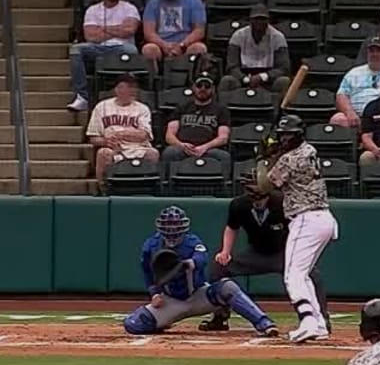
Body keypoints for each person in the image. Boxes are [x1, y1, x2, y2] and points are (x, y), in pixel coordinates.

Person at [122, 206, 280, 337]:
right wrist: (154, 294)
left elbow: (202, 258)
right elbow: (147, 272)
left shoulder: (192, 242)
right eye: (168, 226)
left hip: (198, 296)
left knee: (228, 287)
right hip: (170, 300)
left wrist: (188, 263)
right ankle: (164, 322)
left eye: (175, 226)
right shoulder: (151, 245)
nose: (172, 231)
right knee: (133, 324)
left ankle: (263, 322)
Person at [200, 177, 330, 334]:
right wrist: (225, 251)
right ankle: (219, 317)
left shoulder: (282, 202)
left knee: (312, 275)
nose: (257, 202)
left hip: (283, 253)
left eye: (261, 197)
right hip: (255, 253)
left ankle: (321, 320)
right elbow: (231, 227)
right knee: (219, 267)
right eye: (253, 197)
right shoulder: (239, 204)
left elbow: (299, 227)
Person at [258, 114, 338, 342]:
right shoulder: (309, 149)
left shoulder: (290, 159)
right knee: (303, 276)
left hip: (306, 220)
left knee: (292, 276)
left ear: (299, 135)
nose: (284, 139)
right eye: (282, 135)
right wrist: (274, 154)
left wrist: (263, 159)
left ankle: (308, 321)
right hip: (323, 219)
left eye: (289, 135)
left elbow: (265, 185)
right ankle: (319, 323)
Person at [68, 0, 140, 113]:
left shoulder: (130, 8)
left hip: (122, 48)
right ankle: (82, 96)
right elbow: (90, 36)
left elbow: (130, 30)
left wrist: (102, 29)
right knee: (76, 50)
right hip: (98, 48)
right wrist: (118, 28)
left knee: (131, 51)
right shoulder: (92, 10)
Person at [86, 74, 157, 182]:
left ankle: (147, 187)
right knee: (103, 153)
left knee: (152, 154)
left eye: (133, 87)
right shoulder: (102, 107)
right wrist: (106, 141)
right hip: (112, 148)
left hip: (137, 148)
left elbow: (145, 135)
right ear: (117, 89)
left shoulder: (142, 109)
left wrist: (122, 134)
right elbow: (93, 138)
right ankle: (103, 190)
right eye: (128, 87)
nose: (132, 91)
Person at [139, 0, 209, 73]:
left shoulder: (194, 1)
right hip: (160, 45)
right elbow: (149, 32)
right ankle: (154, 82)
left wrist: (182, 45)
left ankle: (193, 81)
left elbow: (199, 31)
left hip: (186, 44)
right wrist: (164, 45)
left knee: (199, 48)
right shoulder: (152, 4)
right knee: (149, 49)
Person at [162, 72, 232, 170]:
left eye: (207, 86)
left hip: (209, 149)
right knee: (169, 152)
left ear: (213, 89)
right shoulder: (182, 107)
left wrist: (205, 147)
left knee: (223, 156)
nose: (202, 89)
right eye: (199, 85)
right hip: (182, 148)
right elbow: (169, 136)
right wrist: (181, 145)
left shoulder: (221, 110)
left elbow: (223, 137)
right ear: (193, 88)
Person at [223, 5, 292, 93]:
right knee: (227, 80)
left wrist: (263, 77)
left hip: (269, 78)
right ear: (250, 20)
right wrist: (245, 78)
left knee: (284, 81)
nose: (259, 22)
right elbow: (231, 66)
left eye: (263, 19)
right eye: (256, 19)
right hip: (243, 76)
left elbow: (284, 68)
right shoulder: (238, 36)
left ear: (268, 20)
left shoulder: (278, 37)